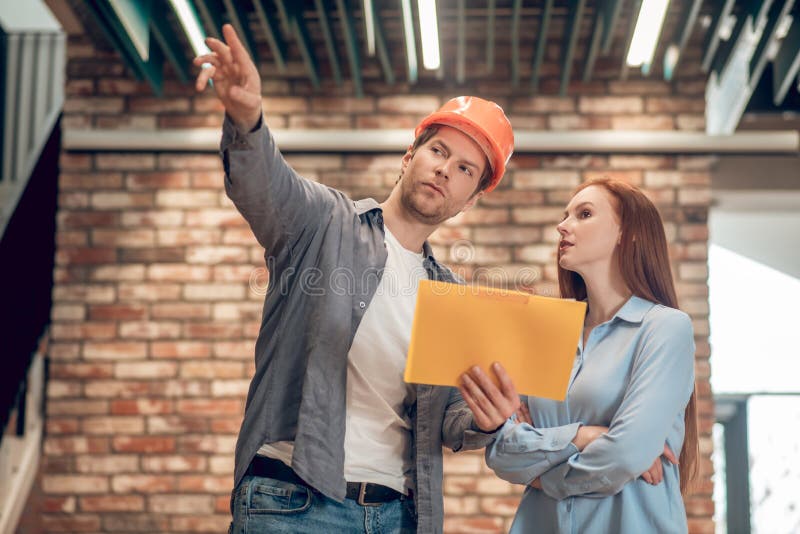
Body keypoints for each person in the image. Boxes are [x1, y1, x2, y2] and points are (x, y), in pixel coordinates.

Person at [192, 24, 520, 534]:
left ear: (471, 199)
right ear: (409, 156)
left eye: (465, 169)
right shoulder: (323, 222)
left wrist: (488, 417)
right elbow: (264, 186)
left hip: (397, 514)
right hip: (294, 502)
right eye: (438, 151)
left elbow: (451, 419)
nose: (444, 171)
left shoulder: (451, 298)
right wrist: (246, 117)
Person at [482, 178, 699, 533]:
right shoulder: (547, 334)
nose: (562, 226)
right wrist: (588, 436)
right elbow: (503, 451)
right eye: (565, 215)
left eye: (584, 214)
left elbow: (625, 454)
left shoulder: (665, 328)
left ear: (627, 234)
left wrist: (542, 476)